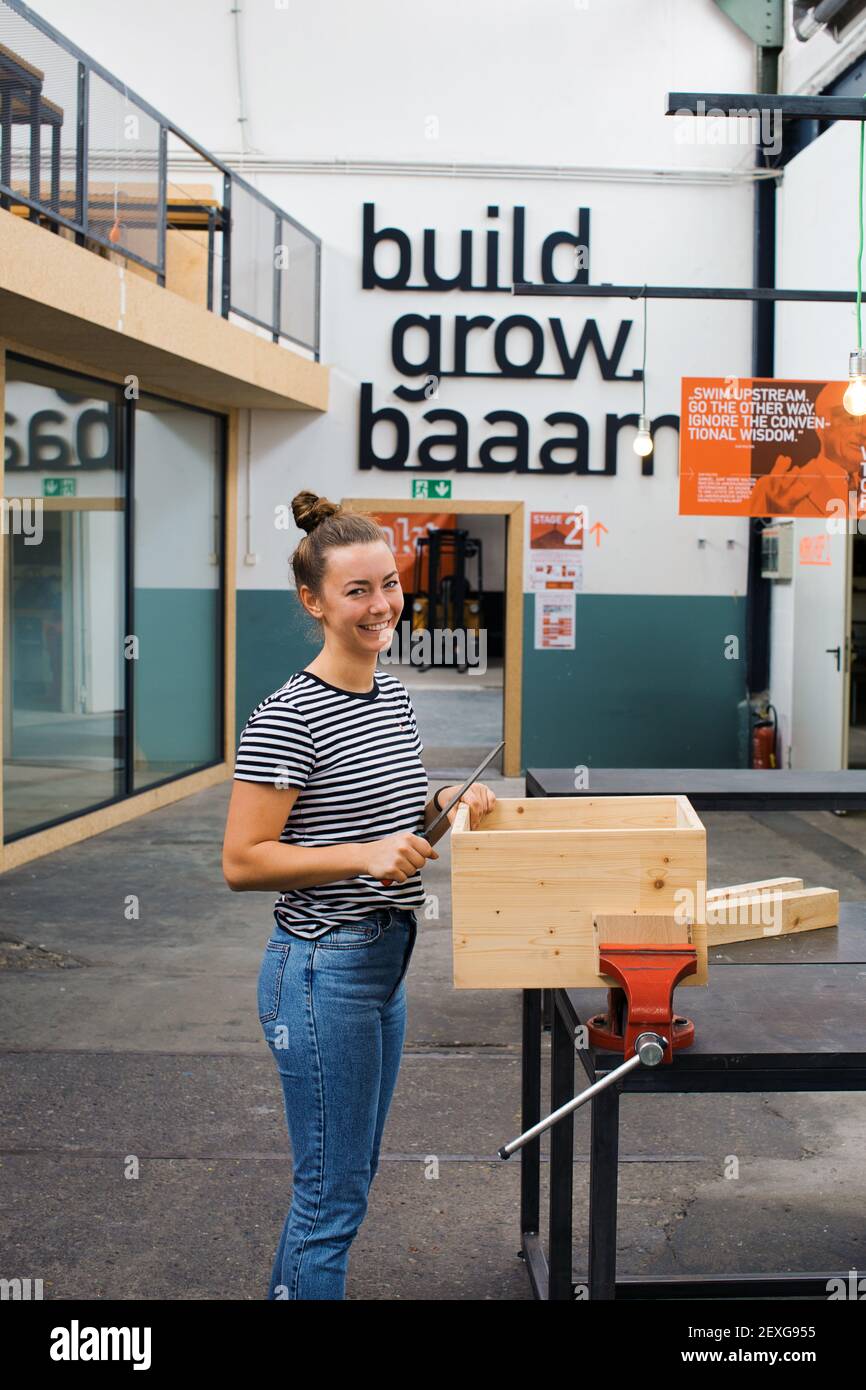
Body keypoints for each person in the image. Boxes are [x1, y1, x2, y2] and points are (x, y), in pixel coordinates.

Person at [222, 490, 496, 1300]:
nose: (382, 606)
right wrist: (365, 857)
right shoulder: (287, 717)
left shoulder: (392, 695)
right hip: (319, 973)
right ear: (313, 601)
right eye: (356, 591)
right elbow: (243, 860)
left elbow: (392, 821)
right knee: (331, 1196)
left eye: (388, 584)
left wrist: (443, 804)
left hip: (381, 965)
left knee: (345, 1179)